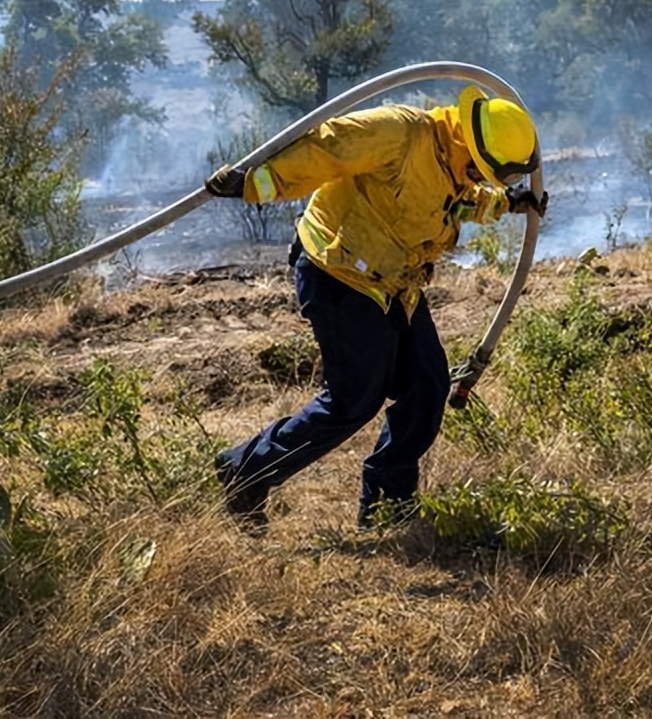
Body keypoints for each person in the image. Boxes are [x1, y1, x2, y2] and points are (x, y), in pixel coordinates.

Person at [204, 85, 548, 532]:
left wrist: (509, 202)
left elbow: (455, 200)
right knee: (352, 401)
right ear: (465, 140)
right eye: (477, 170)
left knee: (427, 385)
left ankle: (387, 504)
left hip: (395, 285)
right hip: (339, 274)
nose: (476, 179)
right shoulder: (399, 133)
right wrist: (252, 182)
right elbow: (326, 149)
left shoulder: (456, 165)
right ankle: (246, 472)